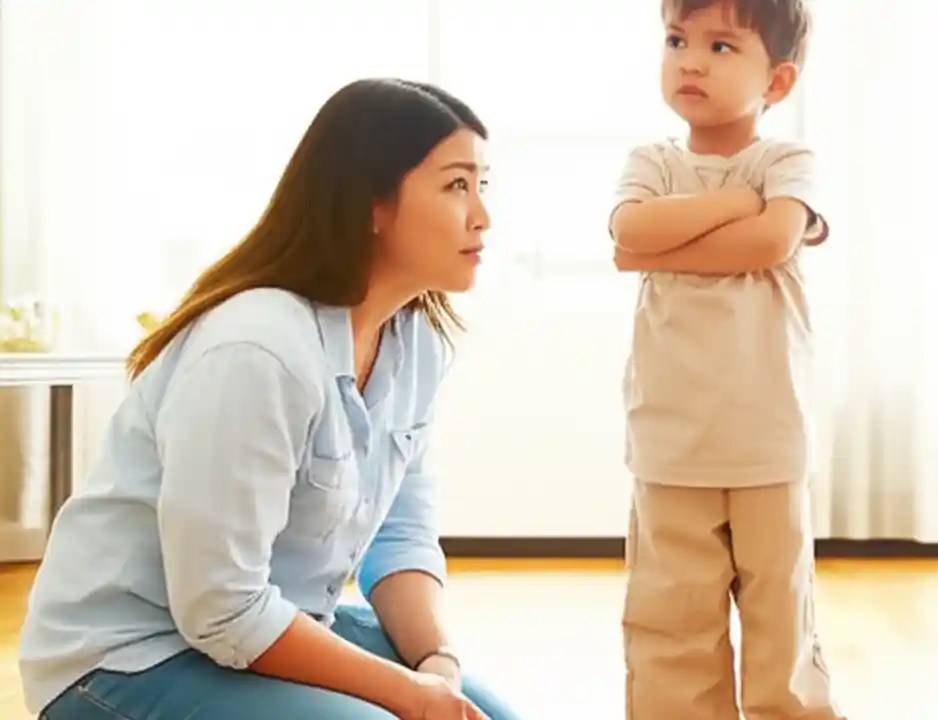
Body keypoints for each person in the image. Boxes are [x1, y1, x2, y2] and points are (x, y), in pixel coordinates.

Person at [19, 79, 520, 720]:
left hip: (262, 632)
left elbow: (400, 534)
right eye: (456, 186)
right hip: (128, 661)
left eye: (484, 185)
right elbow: (220, 604)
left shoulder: (416, 338)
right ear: (372, 202)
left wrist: (437, 665)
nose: (482, 215)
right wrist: (404, 695)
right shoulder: (259, 348)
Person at [608, 1, 842, 718]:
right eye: (676, 40)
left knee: (782, 627)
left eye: (720, 45)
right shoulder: (653, 161)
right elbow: (628, 233)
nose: (690, 59)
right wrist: (738, 204)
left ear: (777, 81)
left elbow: (770, 244)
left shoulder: (784, 161)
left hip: (767, 441)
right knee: (669, 627)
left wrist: (665, 246)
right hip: (669, 442)